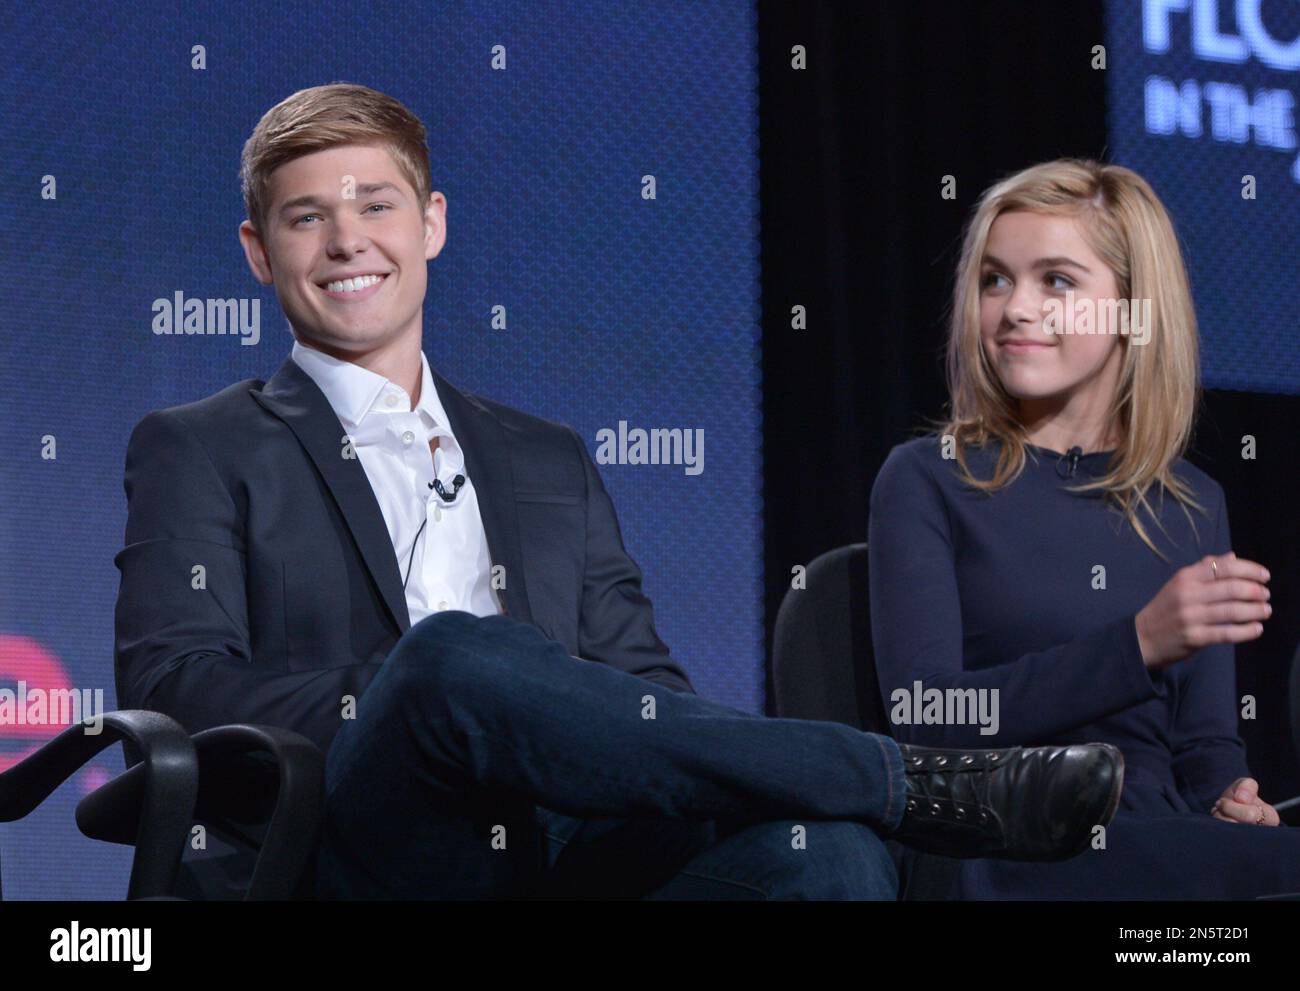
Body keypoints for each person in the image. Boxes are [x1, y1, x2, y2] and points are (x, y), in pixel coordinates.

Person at [114, 85, 1121, 901]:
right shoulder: (199, 444)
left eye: (375, 205)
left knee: (828, 858)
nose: (346, 241)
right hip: (358, 841)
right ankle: (915, 783)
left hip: (570, 853)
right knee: (456, 653)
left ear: (431, 225)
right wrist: (416, 687)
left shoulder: (545, 457)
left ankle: (877, 799)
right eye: (307, 217)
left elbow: (654, 696)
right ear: (259, 252)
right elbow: (175, 688)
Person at [868, 158, 1297, 900]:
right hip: (1008, 844)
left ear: (1132, 309)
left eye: (1056, 281)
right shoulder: (926, 478)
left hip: (1161, 843)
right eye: (995, 279)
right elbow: (924, 716)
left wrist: (1232, 794)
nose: (1015, 309)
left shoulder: (1192, 504)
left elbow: (1204, 742)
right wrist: (1137, 644)